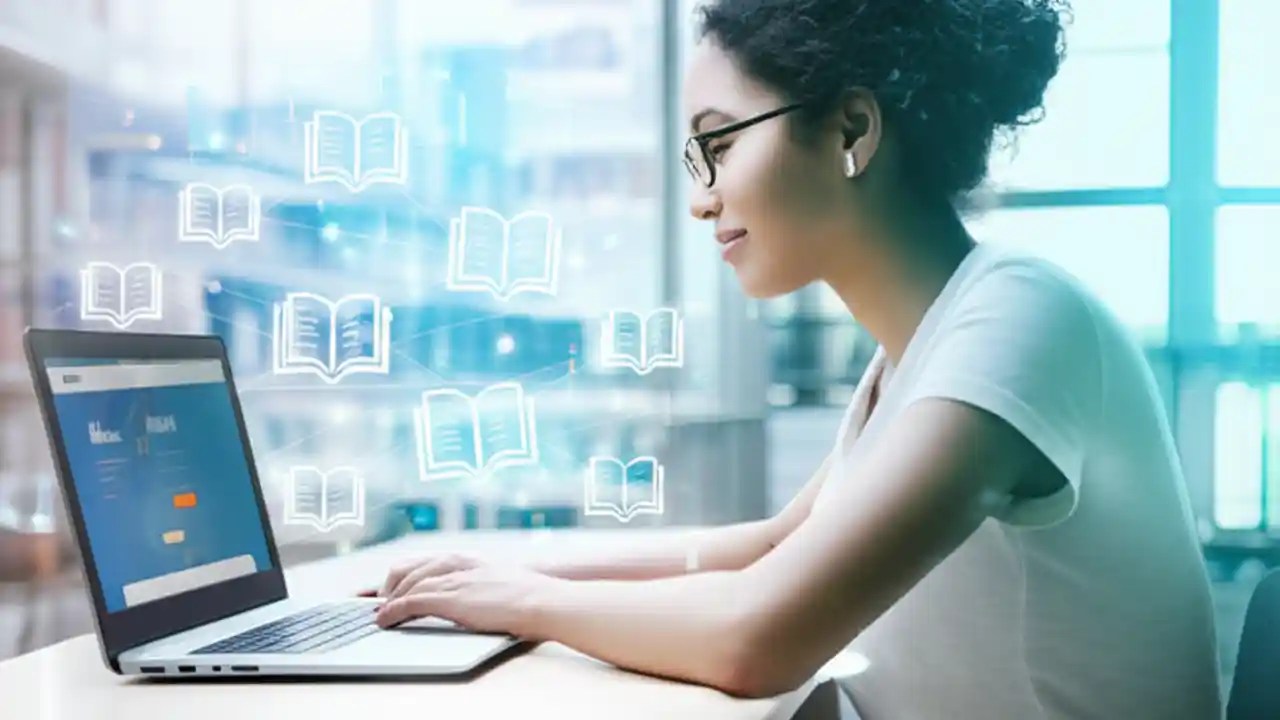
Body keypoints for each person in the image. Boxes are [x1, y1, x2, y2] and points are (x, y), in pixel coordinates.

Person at [371, 0, 1223, 716]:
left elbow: (757, 638)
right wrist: (504, 569)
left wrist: (524, 603)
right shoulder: (923, 346)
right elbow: (773, 546)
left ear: (851, 128)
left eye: (721, 144)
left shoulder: (1021, 320)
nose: (702, 201)